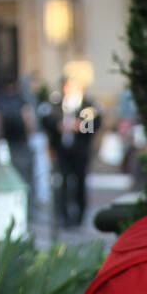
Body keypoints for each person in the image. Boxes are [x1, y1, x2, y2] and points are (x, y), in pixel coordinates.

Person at [41, 76, 102, 228]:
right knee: (62, 182)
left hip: (80, 151)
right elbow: (47, 120)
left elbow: (93, 125)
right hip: (62, 150)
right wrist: (58, 125)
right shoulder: (56, 103)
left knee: (80, 182)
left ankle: (79, 216)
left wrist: (78, 127)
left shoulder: (88, 105)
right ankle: (63, 216)